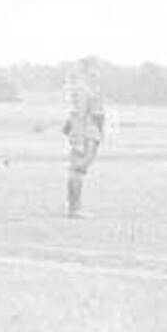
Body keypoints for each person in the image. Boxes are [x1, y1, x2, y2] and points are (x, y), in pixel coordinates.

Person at [63, 56, 105, 217]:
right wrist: (78, 140)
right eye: (95, 67)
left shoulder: (89, 87)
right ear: (88, 69)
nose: (98, 71)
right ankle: (74, 209)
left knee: (80, 169)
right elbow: (79, 114)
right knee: (78, 169)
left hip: (90, 132)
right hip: (85, 132)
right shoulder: (82, 88)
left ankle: (75, 208)